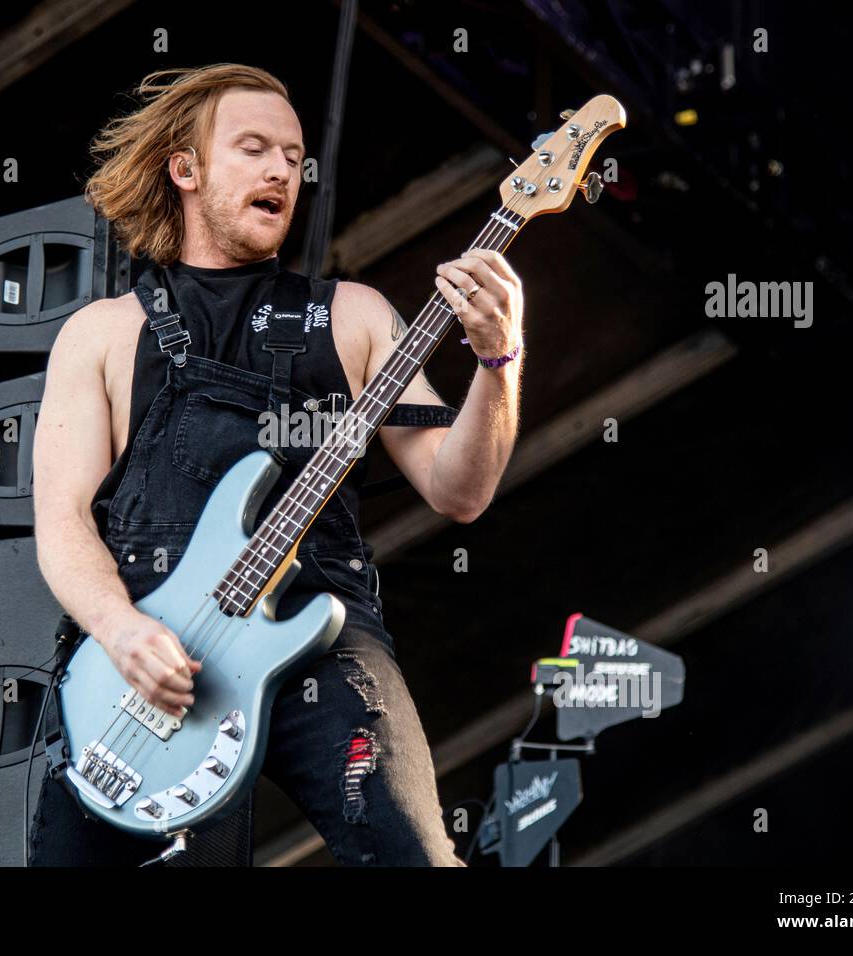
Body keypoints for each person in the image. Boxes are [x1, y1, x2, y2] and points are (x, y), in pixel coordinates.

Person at [30, 63, 524, 866]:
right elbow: (59, 521)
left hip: (319, 638)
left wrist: (500, 358)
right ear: (184, 170)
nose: (279, 172)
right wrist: (121, 631)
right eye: (253, 148)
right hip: (150, 652)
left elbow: (457, 490)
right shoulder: (102, 334)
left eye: (293, 157)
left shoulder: (355, 317)